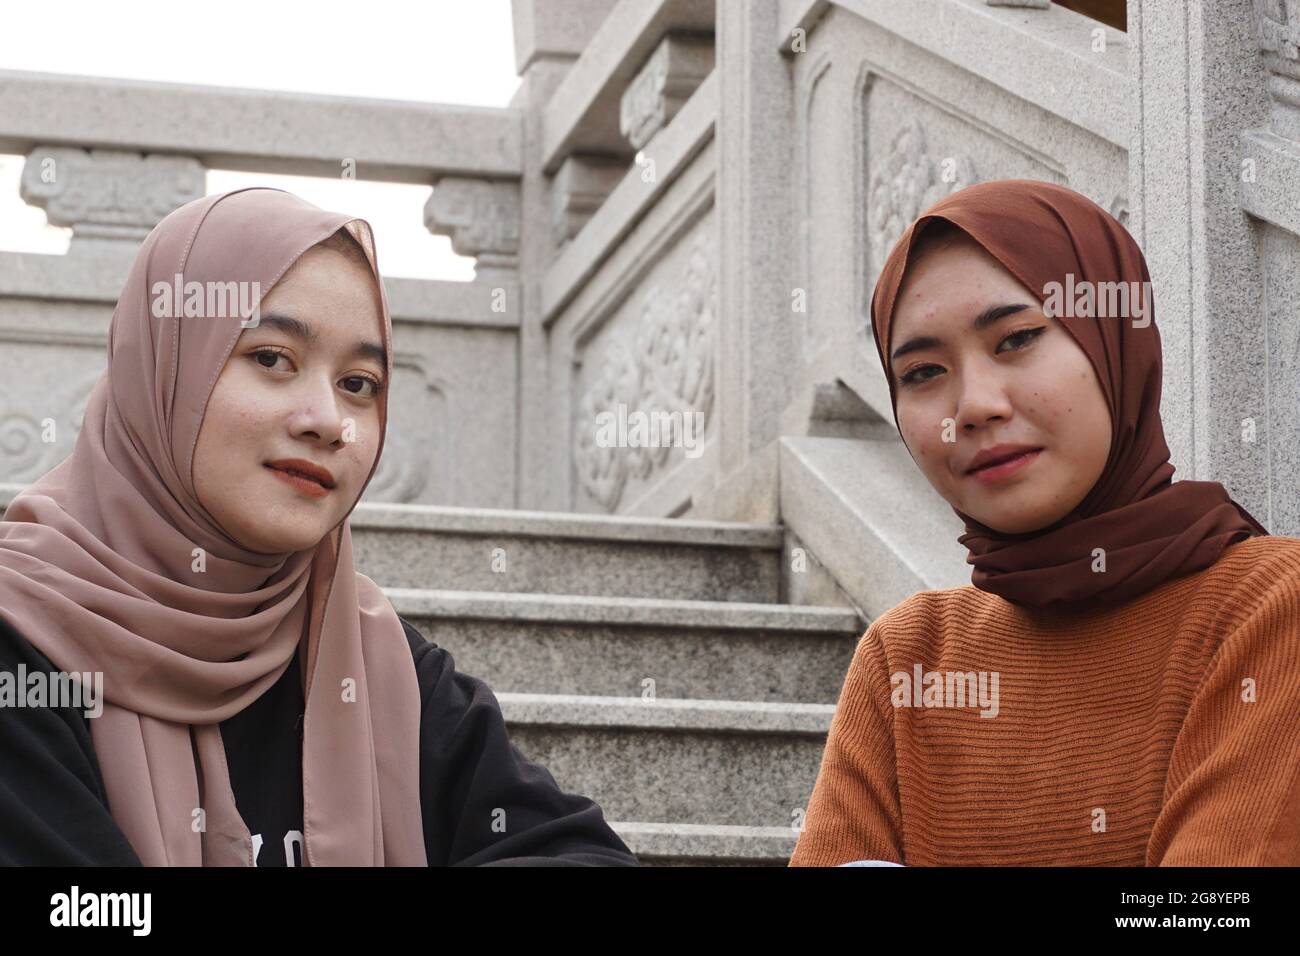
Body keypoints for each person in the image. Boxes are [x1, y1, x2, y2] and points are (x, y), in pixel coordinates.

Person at [0, 187, 638, 867]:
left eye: (358, 384)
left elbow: (581, 856)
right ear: (162, 370)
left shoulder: (373, 660)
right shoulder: (24, 643)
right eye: (272, 359)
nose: (327, 420)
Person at [789, 179, 1300, 867]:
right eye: (922, 372)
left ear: (1116, 343)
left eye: (1018, 338)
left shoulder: (1269, 607)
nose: (974, 405)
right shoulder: (909, 656)